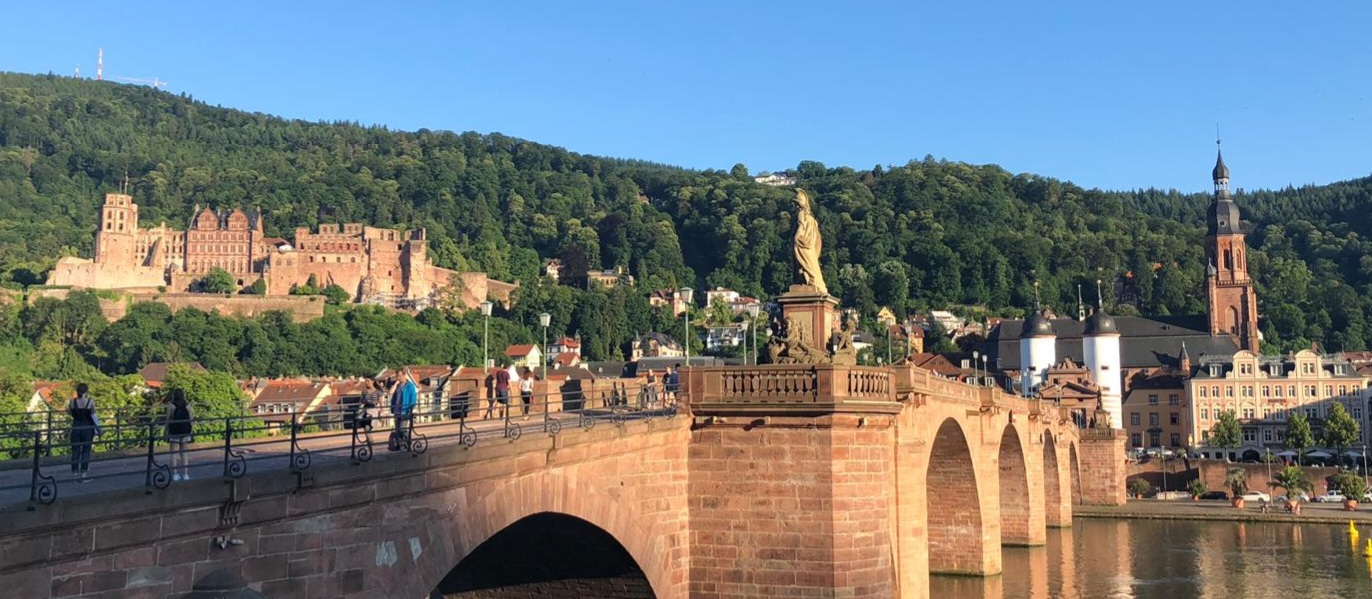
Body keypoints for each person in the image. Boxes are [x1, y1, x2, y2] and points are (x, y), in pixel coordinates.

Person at [67, 383, 100, 482]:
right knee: (86, 451)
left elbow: (69, 412)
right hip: (87, 428)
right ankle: (84, 474)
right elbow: (93, 414)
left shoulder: (72, 402)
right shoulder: (90, 402)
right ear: (86, 392)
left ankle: (75, 474)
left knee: (75, 450)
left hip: (76, 427)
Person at [164, 388, 194, 481]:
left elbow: (168, 419)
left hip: (174, 431)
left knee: (173, 454)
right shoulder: (188, 405)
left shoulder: (171, 405)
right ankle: (185, 474)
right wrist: (191, 430)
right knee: (184, 453)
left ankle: (175, 475)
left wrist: (166, 430)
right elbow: (191, 419)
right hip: (185, 432)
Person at [388, 369, 418, 450]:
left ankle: (408, 442)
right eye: (397, 376)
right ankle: (401, 445)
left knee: (402, 428)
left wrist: (411, 406)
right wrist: (392, 407)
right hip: (397, 410)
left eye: (399, 376)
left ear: (404, 375)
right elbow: (394, 397)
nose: (398, 378)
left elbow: (413, 397)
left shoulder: (410, 385)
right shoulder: (398, 386)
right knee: (397, 430)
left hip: (405, 410)